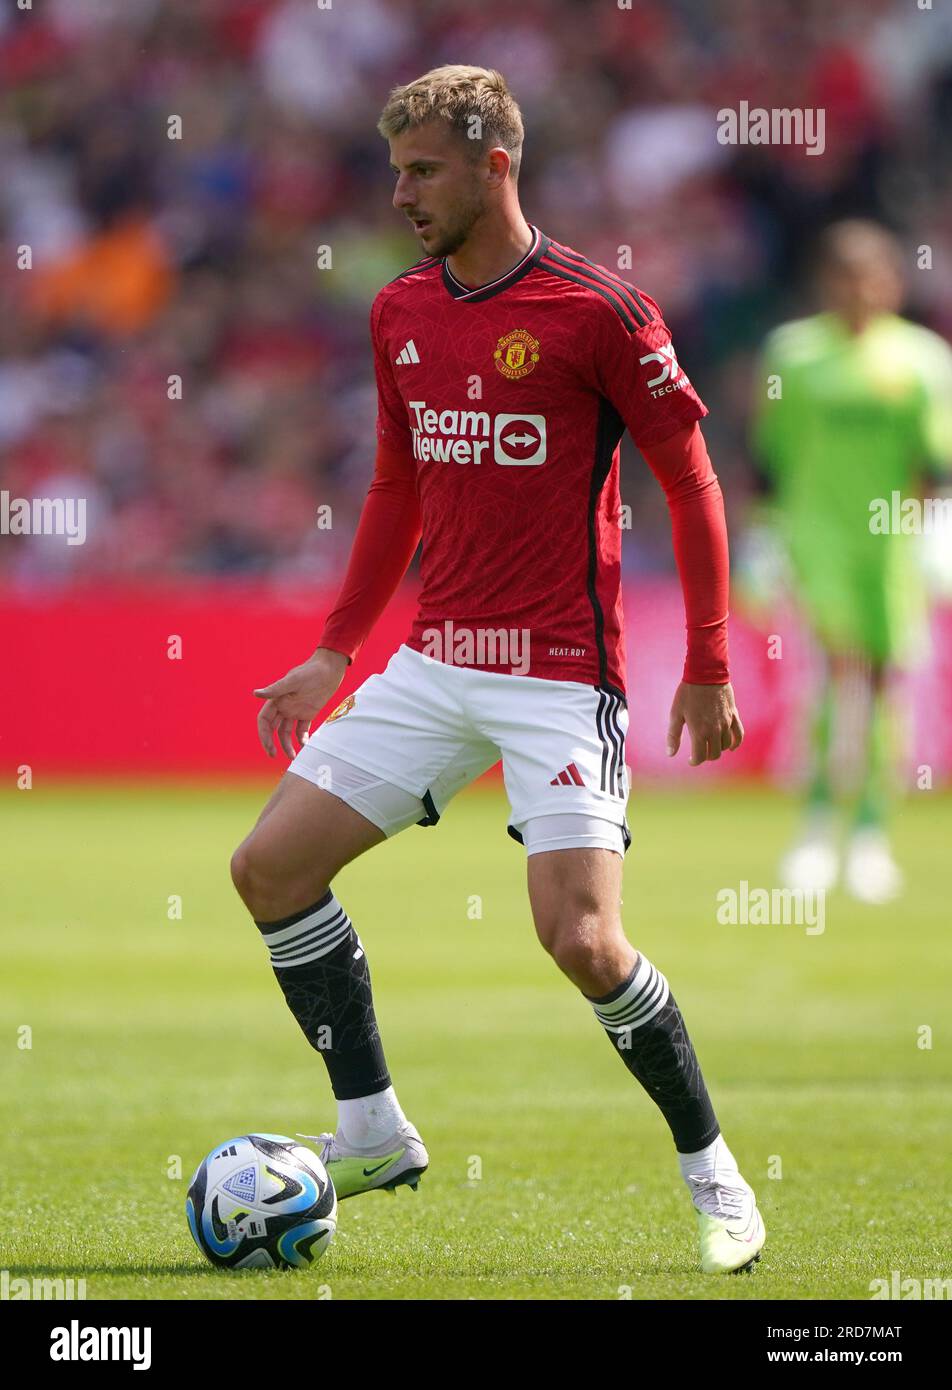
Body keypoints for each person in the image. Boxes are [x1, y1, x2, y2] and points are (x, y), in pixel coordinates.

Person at [231, 65, 763, 1274]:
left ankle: (712, 1171)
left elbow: (691, 479)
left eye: (422, 170)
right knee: (266, 869)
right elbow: (394, 484)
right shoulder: (399, 309)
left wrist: (713, 659)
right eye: (395, 171)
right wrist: (332, 651)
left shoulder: (601, 310)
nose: (402, 194)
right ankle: (372, 1131)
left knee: (580, 942)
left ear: (494, 164)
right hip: (433, 661)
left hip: (559, 674)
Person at [752, 221, 952, 903]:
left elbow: (934, 463)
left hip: (891, 547)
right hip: (819, 541)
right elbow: (769, 459)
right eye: (846, 276)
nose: (861, 290)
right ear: (826, 283)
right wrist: (764, 540)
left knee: (886, 686)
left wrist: (934, 539)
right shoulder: (794, 355)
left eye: (874, 276)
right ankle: (815, 829)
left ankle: (870, 834)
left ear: (893, 282)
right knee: (839, 677)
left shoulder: (923, 360)